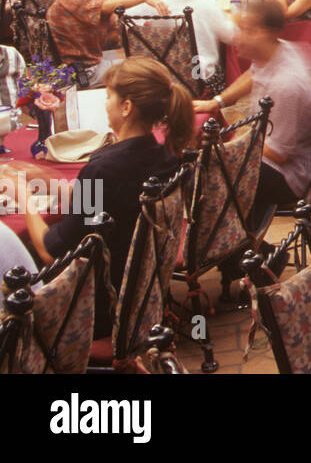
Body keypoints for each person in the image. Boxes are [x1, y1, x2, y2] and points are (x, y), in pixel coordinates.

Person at [3, 58, 188, 336]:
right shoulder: (165, 157)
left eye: (108, 96)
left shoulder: (101, 168)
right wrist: (48, 182)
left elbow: (50, 252)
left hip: (96, 308)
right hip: (140, 292)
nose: (105, 104)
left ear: (126, 107)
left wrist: (23, 194)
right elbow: (99, 203)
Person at [193, 0, 311, 223]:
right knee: (207, 167)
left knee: (204, 175)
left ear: (263, 33)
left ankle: (238, 246)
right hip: (273, 154)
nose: (236, 36)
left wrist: (231, 146)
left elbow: (280, 153)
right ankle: (243, 241)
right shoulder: (277, 51)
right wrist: (216, 101)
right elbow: (253, 74)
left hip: (289, 176)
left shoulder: (286, 84)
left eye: (244, 30)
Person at [48, 0, 169, 86]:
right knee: (149, 71)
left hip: (84, 66)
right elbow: (107, 6)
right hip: (86, 72)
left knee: (143, 62)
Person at [154, 0, 234, 82]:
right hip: (201, 77)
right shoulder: (207, 3)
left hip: (162, 78)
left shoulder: (153, 4)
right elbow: (230, 36)